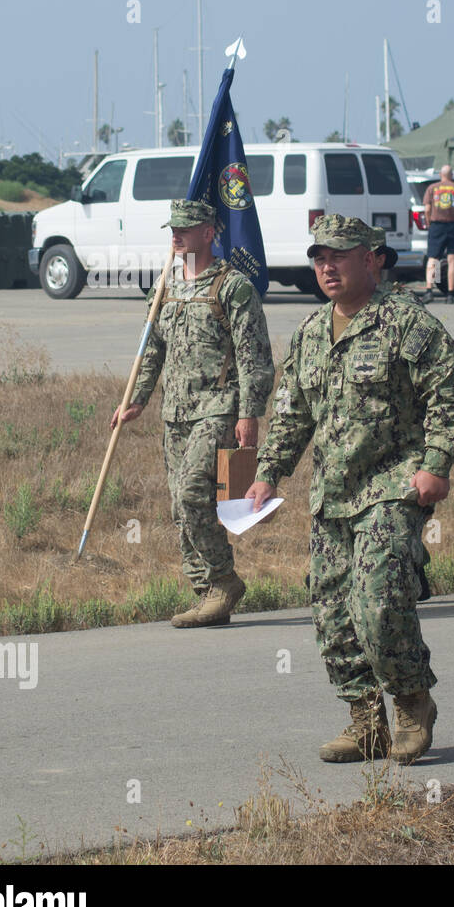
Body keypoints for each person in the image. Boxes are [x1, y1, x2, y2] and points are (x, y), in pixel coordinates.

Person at [246, 214, 454, 765]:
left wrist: (436, 464)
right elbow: (292, 413)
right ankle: (364, 719)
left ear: (373, 259)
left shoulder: (407, 325)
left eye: (340, 256)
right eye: (320, 258)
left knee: (379, 602)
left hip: (393, 487)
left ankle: (413, 703)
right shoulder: (311, 332)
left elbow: (451, 397)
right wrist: (268, 473)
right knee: (333, 612)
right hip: (333, 495)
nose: (327, 267)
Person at [113, 198, 273, 628]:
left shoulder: (232, 287)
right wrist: (138, 398)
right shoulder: (165, 286)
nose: (177, 235)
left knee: (192, 495)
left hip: (217, 409)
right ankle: (206, 594)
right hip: (175, 412)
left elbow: (254, 356)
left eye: (186, 228)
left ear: (210, 232)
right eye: (173, 228)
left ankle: (224, 580)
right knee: (179, 508)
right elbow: (153, 350)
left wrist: (249, 413)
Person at [421, 165, 454, 304]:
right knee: (452, 259)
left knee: (434, 258)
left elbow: (427, 209)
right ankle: (450, 295)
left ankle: (429, 291)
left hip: (437, 225)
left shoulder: (432, 188)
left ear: (440, 174)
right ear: (452, 175)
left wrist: (430, 223)